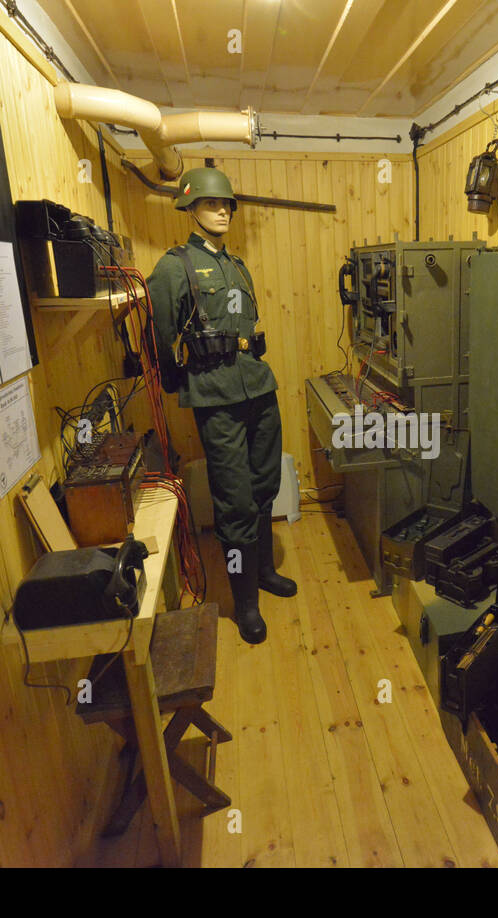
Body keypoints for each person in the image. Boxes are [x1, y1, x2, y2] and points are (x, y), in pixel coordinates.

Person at [146, 167, 296, 645]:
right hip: (216, 397)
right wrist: (175, 380)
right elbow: (159, 335)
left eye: (227, 204)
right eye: (213, 204)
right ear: (191, 209)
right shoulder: (175, 267)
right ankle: (245, 603)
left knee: (264, 486)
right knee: (234, 502)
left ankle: (265, 573)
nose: (223, 211)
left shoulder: (236, 265)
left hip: (258, 386)